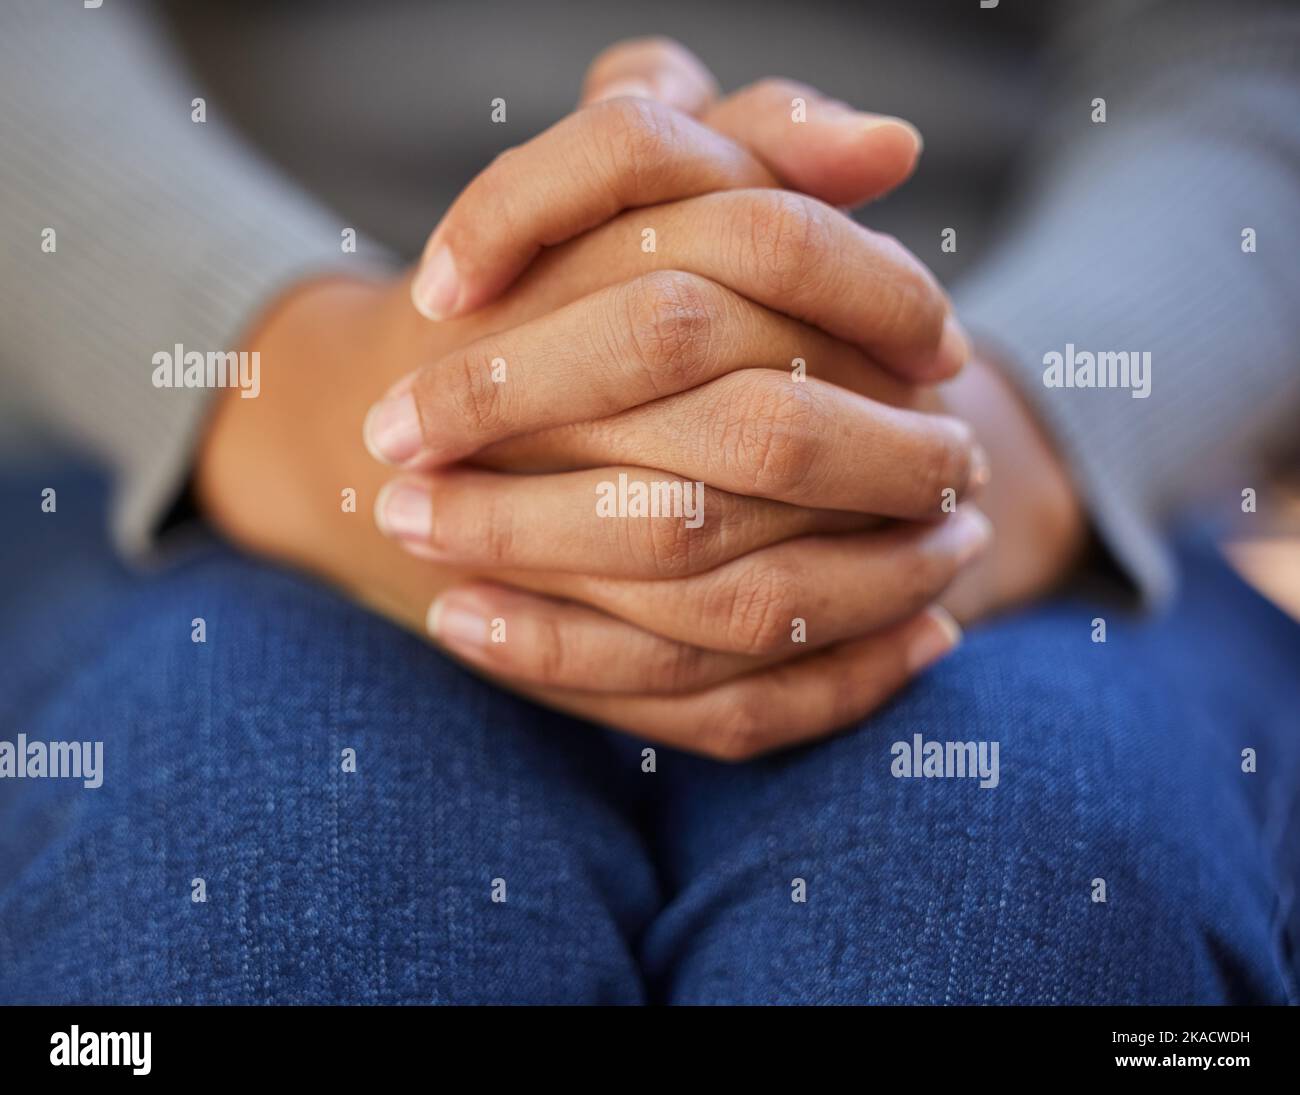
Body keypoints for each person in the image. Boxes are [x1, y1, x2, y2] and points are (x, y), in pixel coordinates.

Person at [0, 0, 1297, 1004]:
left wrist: (999, 438)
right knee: (257, 861)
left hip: (1021, 389)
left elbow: (1251, 57)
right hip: (168, 410)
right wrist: (288, 385)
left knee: (1024, 871)